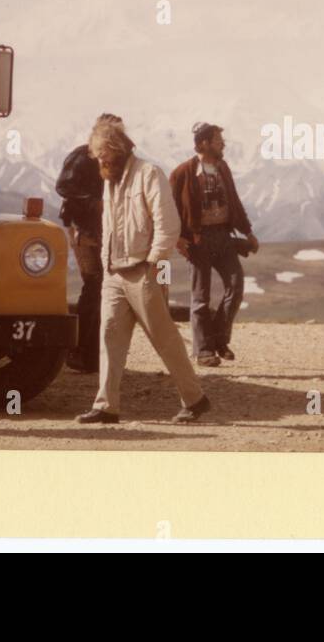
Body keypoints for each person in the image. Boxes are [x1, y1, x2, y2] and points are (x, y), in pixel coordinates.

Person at [75, 121, 211, 425]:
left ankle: (195, 399)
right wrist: (106, 264)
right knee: (109, 336)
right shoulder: (110, 181)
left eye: (102, 155)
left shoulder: (149, 174)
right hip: (114, 274)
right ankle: (106, 406)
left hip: (144, 270)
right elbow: (108, 228)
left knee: (163, 337)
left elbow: (168, 222)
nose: (100, 162)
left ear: (115, 150)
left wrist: (153, 262)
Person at [169, 122, 258, 366]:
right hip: (198, 241)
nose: (223, 145)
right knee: (201, 297)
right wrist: (178, 238)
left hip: (223, 236)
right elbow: (170, 210)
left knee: (236, 285)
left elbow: (235, 203)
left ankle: (218, 338)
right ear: (204, 143)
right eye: (219, 141)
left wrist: (248, 231)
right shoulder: (182, 173)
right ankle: (203, 351)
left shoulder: (223, 168)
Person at [55, 113, 124, 373]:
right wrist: (93, 202)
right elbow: (63, 186)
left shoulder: (115, 159)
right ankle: (81, 351)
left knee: (102, 287)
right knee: (95, 285)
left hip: (104, 230)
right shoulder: (82, 156)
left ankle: (89, 352)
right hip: (84, 230)